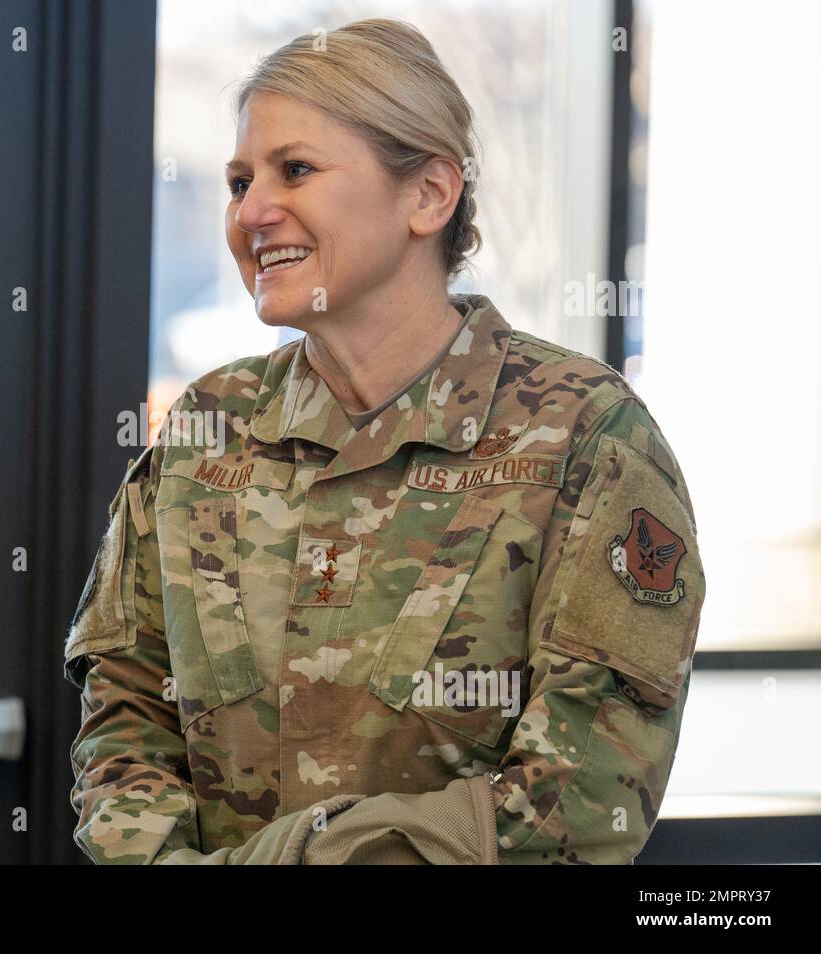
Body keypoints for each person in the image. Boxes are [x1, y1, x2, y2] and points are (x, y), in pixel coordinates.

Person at [65, 18, 704, 864]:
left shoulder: (585, 435)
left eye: (295, 170)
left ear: (429, 195)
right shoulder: (205, 429)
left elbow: (580, 804)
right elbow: (123, 725)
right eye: (239, 179)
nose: (251, 211)